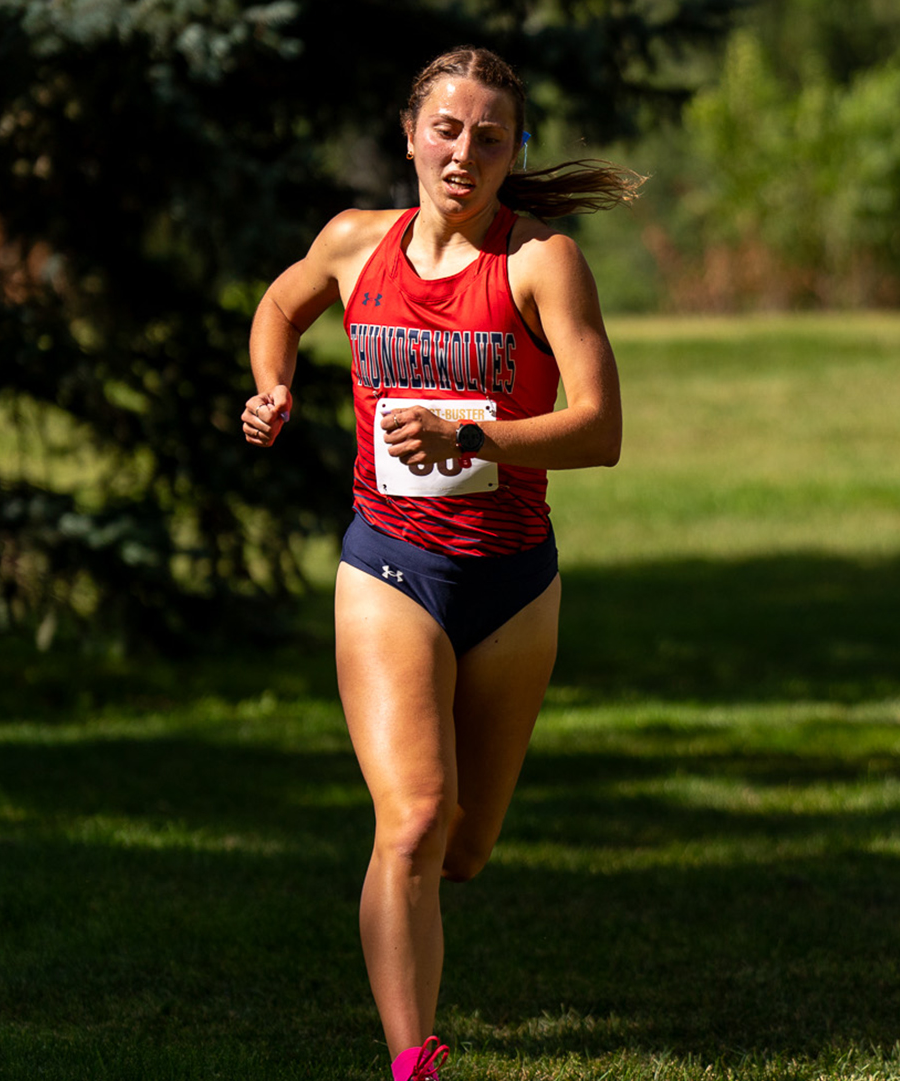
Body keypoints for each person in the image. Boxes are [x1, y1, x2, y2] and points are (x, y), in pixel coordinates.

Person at [242, 45, 637, 1081]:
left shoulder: (540, 261)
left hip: (513, 584)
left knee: (462, 848)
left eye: (490, 136)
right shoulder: (351, 244)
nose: (464, 152)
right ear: (411, 133)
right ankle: (412, 1062)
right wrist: (273, 386)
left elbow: (600, 430)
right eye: (448, 129)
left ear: (513, 152)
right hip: (389, 569)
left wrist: (475, 437)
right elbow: (280, 308)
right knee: (413, 821)